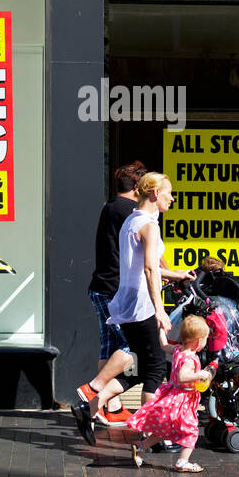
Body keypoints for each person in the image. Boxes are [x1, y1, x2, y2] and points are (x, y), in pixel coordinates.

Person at [72, 172, 195, 446]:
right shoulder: (149, 226)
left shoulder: (132, 220)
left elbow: (142, 265)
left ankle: (90, 407)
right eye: (169, 193)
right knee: (153, 370)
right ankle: (150, 437)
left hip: (126, 303)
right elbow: (151, 269)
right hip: (142, 306)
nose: (172, 198)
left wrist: (177, 275)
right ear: (154, 194)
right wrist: (160, 310)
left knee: (138, 370)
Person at [77, 161, 146, 427]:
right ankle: (93, 390)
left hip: (101, 286)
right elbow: (147, 249)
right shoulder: (131, 211)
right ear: (138, 186)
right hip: (116, 289)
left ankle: (111, 407)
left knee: (109, 344)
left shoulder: (110, 207)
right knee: (134, 346)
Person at [129, 315, 215, 473]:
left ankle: (140, 447)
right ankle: (183, 461)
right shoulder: (190, 358)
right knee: (191, 430)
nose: (205, 342)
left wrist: (162, 328)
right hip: (182, 400)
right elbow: (183, 377)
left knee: (164, 429)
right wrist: (200, 375)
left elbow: (163, 345)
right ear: (197, 341)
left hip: (173, 396)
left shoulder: (177, 350)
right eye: (205, 339)